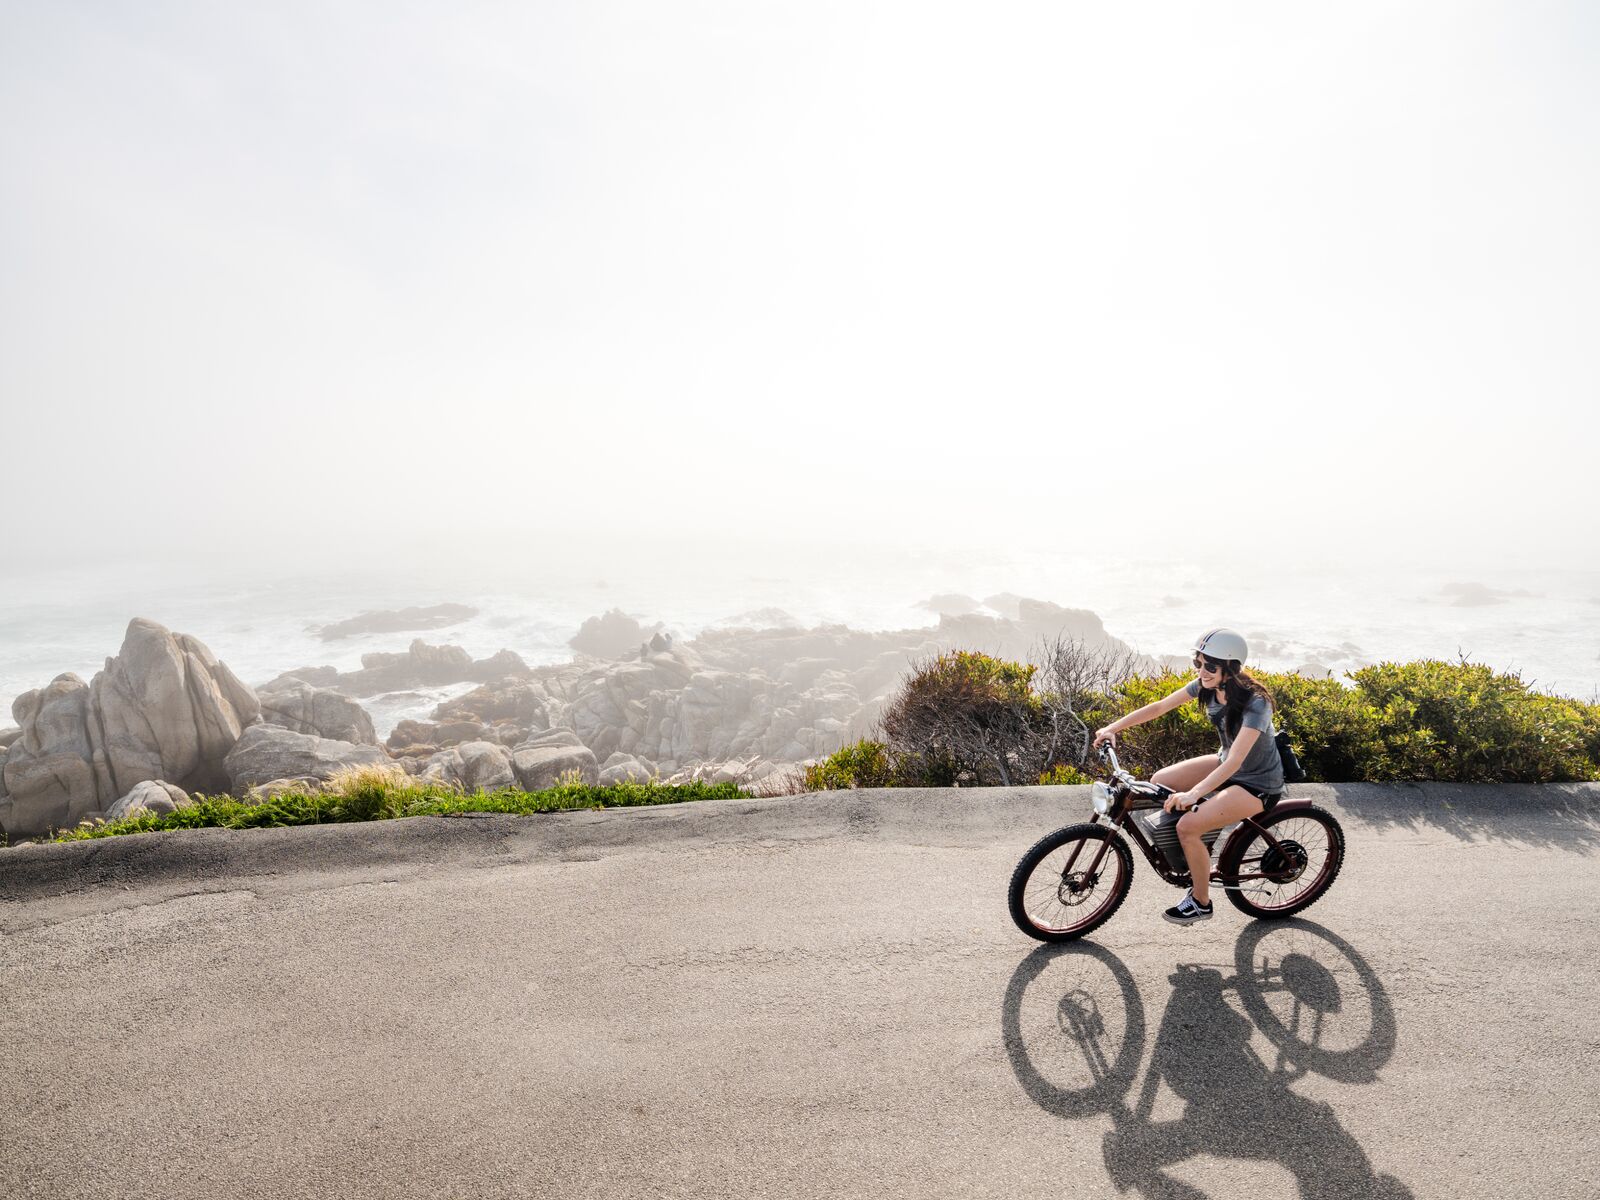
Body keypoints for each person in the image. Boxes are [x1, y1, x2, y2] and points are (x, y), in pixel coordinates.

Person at [1092, 628, 1284, 925]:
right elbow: (1159, 707)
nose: (1202, 671)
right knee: (1160, 780)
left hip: (1256, 783)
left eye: (1210, 666)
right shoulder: (1206, 686)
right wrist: (1113, 728)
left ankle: (1201, 901)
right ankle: (1193, 850)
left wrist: (1194, 794)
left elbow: (1235, 761)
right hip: (1225, 764)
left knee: (1188, 827)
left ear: (1231, 669)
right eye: (1199, 663)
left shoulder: (1256, 703)